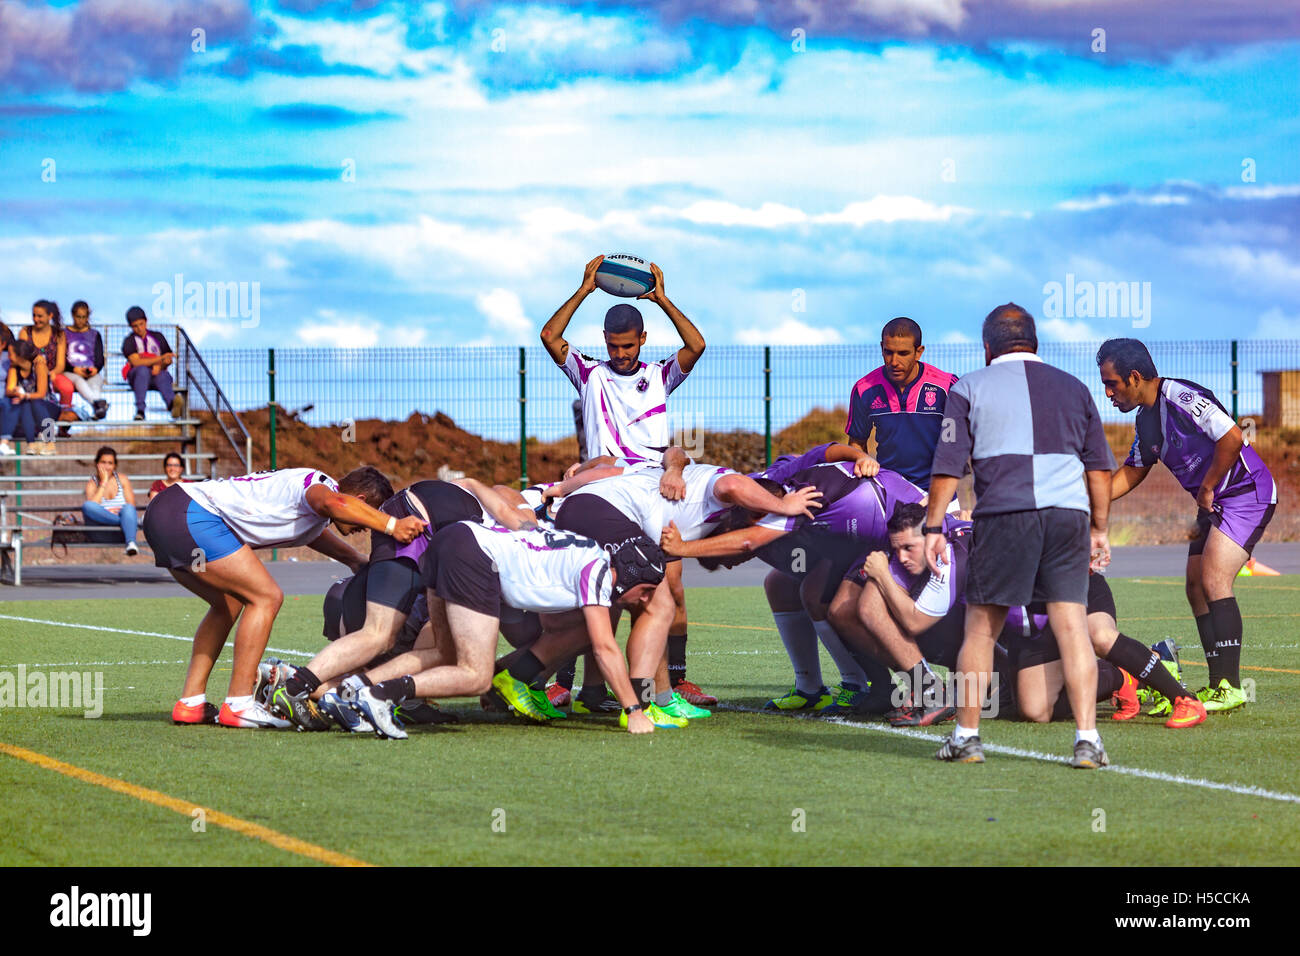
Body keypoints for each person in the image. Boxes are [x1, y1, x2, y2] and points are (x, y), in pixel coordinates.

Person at [926, 304, 1115, 768]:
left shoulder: (967, 386)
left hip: (1005, 516)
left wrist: (933, 526)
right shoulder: (1075, 388)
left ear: (987, 347)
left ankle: (967, 737)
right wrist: (1100, 529)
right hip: (1067, 517)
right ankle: (1087, 740)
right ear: (1035, 344)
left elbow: (949, 465)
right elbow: (1099, 469)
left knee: (981, 629)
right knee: (1072, 626)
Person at [540, 254, 714, 706]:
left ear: (642, 339)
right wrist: (584, 290)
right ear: (604, 341)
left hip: (654, 492)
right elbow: (549, 336)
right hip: (603, 493)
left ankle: (675, 681)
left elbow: (696, 346)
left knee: (670, 587)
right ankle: (565, 681)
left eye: (628, 346)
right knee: (590, 585)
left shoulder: (659, 376)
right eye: (614, 346)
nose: (620, 354)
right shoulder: (589, 374)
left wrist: (661, 298)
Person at [143, 465, 426, 729]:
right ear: (360, 500)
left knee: (226, 603)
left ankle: (190, 703)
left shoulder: (315, 514)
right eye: (367, 516)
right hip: (188, 513)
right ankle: (239, 704)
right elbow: (333, 504)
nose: (365, 527)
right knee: (266, 597)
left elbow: (311, 533)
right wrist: (391, 525)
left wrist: (354, 559)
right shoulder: (321, 486)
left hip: (167, 515)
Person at [340, 525, 668, 739]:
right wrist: (634, 710)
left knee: (443, 653)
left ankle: (351, 690)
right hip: (476, 557)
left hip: (453, 539)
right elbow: (604, 649)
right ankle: (380, 696)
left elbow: (559, 629)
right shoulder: (598, 573)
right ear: (629, 576)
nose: (646, 599)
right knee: (474, 675)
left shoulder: (590, 553)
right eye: (647, 590)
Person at [266, 477, 537, 730]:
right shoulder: (505, 511)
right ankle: (297, 688)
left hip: (404, 518)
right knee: (398, 638)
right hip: (418, 527)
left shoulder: (465, 491)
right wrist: (539, 538)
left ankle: (305, 684)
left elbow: (458, 489)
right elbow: (514, 520)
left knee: (406, 639)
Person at [1098, 337, 1275, 713]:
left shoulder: (1179, 395)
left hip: (1246, 492)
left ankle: (1231, 687)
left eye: (1111, 384)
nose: (1108, 394)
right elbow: (1132, 472)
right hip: (1213, 503)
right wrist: (1088, 500)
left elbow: (1232, 436)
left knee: (1213, 579)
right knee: (1194, 586)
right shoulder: (1146, 420)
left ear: (1133, 377)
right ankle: (1217, 686)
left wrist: (1208, 485)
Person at [846, 317, 959, 492]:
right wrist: (865, 473)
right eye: (888, 352)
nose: (894, 362)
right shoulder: (864, 389)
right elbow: (856, 442)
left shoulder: (946, 386)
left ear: (919, 352)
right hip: (890, 493)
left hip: (940, 494)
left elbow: (961, 442)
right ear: (881, 348)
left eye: (903, 353)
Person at [121, 306, 183, 421]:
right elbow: (136, 361)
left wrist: (161, 365)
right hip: (138, 377)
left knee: (163, 376)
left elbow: (168, 358)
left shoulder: (158, 337)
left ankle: (172, 405)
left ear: (146, 321)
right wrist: (159, 360)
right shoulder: (129, 341)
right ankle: (140, 410)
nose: (139, 328)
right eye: (135, 326)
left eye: (141, 324)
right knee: (142, 370)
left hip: (156, 375)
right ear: (130, 326)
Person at [2, 340, 58, 454]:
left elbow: (41, 394)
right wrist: (18, 393)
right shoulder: (14, 368)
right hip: (28, 405)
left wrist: (24, 395)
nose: (8, 357)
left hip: (48, 406)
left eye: (10, 354)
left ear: (19, 355)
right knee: (26, 404)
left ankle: (50, 443)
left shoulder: (39, 365)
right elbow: (9, 390)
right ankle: (31, 445)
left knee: (35, 402)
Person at [20, 300, 74, 418]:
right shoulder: (25, 332)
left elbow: (60, 364)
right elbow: (22, 355)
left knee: (67, 388)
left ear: (50, 316)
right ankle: (42, 429)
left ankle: (63, 426)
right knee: (41, 398)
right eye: (34, 315)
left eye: (40, 316)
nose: (36, 319)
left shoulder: (59, 334)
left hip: (52, 374)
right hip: (31, 376)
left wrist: (51, 373)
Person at [83, 446, 140, 555]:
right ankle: (126, 523)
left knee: (128, 508)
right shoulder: (92, 483)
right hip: (101, 532)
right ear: (97, 464)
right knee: (87, 506)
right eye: (103, 462)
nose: (107, 466)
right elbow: (92, 508)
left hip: (122, 534)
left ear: (115, 465)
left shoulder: (122, 479)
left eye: (110, 463)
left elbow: (131, 506)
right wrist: (103, 482)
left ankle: (131, 543)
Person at [64, 300, 108, 420]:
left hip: (90, 370)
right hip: (71, 371)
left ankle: (98, 408)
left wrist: (95, 369)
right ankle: (99, 404)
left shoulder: (94, 334)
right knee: (79, 381)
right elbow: (61, 357)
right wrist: (74, 369)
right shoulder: (64, 333)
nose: (81, 320)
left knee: (96, 383)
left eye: (84, 317)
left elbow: (99, 357)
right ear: (73, 315)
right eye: (78, 317)